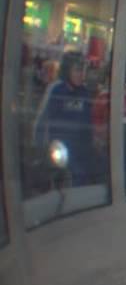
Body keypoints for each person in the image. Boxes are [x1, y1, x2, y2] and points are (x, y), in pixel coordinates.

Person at [33, 53, 95, 186]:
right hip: (59, 150)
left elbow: (88, 124)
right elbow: (42, 119)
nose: (81, 75)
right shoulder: (56, 90)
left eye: (83, 70)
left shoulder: (85, 92)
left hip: (80, 151)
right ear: (67, 70)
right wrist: (40, 148)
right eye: (77, 70)